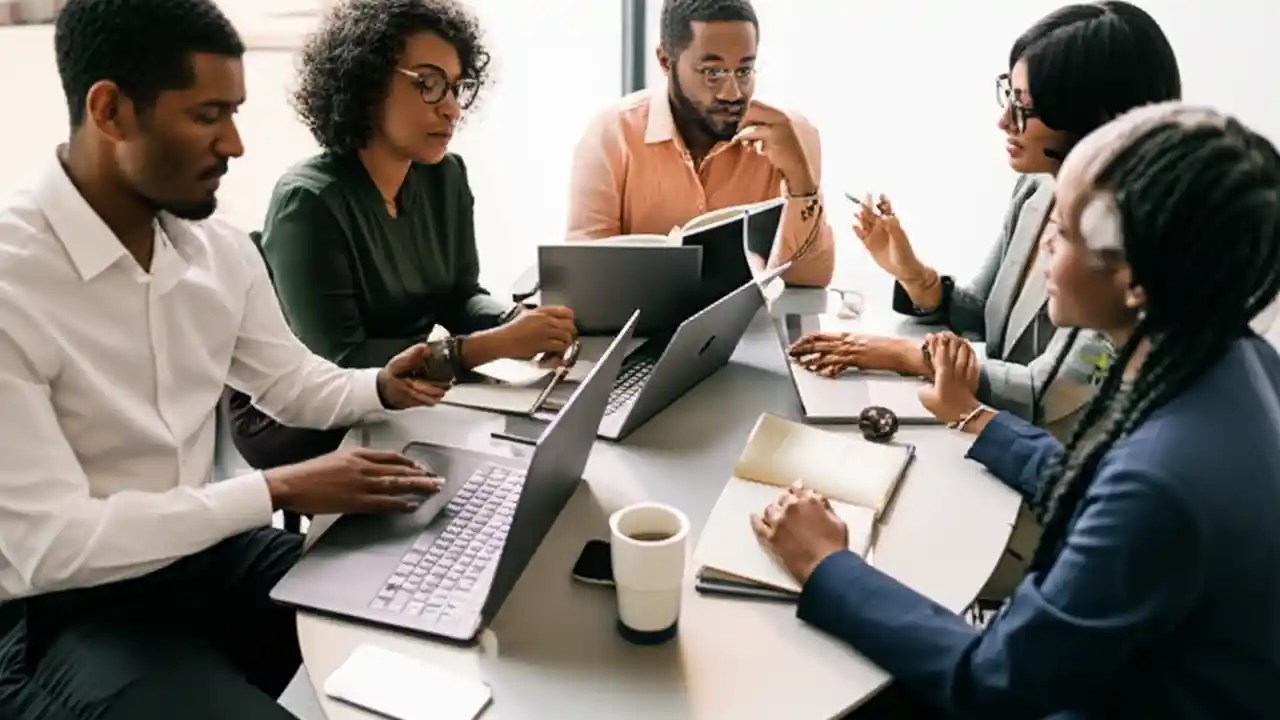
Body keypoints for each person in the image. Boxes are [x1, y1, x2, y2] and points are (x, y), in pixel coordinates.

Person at [755, 102, 1280, 718]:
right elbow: (1096, 486)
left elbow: (995, 682)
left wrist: (827, 564)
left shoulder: (1162, 483)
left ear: (1133, 278)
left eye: (1063, 230)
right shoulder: (1236, 359)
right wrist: (976, 419)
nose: (1044, 249)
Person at [0, 1, 449, 717]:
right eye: (208, 116)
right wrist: (276, 489)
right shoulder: (12, 281)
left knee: (417, 606)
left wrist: (381, 387)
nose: (236, 144)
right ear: (111, 111)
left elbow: (290, 384)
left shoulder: (219, 250)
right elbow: (52, 545)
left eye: (235, 112)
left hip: (201, 556)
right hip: (60, 612)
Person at [789, 1, 1182, 437]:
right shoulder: (1039, 187)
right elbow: (984, 318)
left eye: (1023, 107)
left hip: (1058, 464)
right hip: (989, 429)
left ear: (1090, 118)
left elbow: (1046, 393)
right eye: (1008, 97)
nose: (1003, 122)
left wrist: (901, 355)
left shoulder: (1131, 245)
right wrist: (916, 277)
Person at [225, 0, 577, 472]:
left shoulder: (444, 175)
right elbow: (337, 359)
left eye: (456, 88)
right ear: (367, 85)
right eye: (428, 84)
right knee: (463, 452)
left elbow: (459, 296)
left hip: (407, 381)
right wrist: (495, 344)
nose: (451, 108)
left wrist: (515, 320)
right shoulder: (307, 201)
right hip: (293, 414)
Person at [566, 0, 835, 288]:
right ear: (665, 62)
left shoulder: (788, 136)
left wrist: (801, 181)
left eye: (744, 71)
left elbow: (811, 280)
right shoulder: (611, 135)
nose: (733, 93)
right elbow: (586, 281)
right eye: (713, 72)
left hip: (754, 330)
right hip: (639, 330)